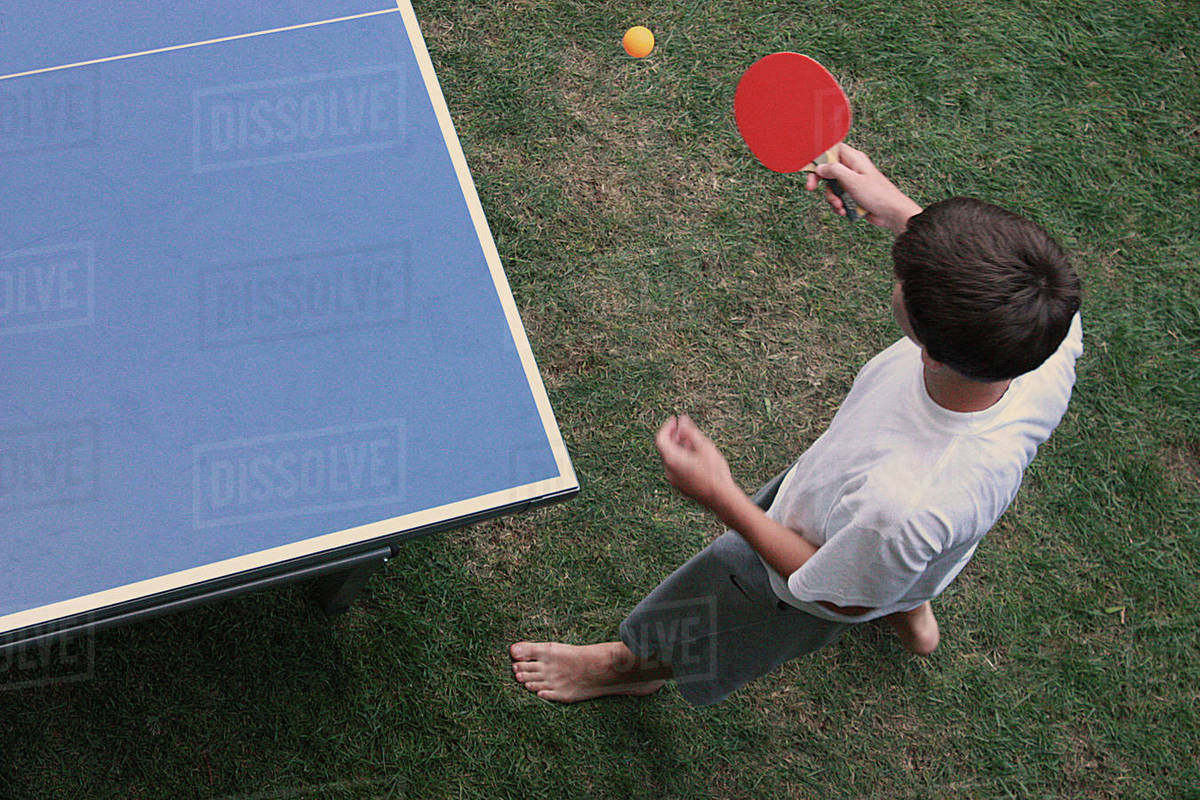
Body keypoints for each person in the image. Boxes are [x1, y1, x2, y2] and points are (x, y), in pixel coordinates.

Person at [510, 145, 1083, 705]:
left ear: (930, 353)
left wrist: (724, 497)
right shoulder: (1047, 329)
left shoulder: (898, 507)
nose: (898, 270)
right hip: (919, 539)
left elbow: (834, 599)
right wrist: (894, 207)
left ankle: (633, 667)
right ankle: (907, 600)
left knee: (749, 596)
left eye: (905, 281)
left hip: (806, 573)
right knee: (902, 566)